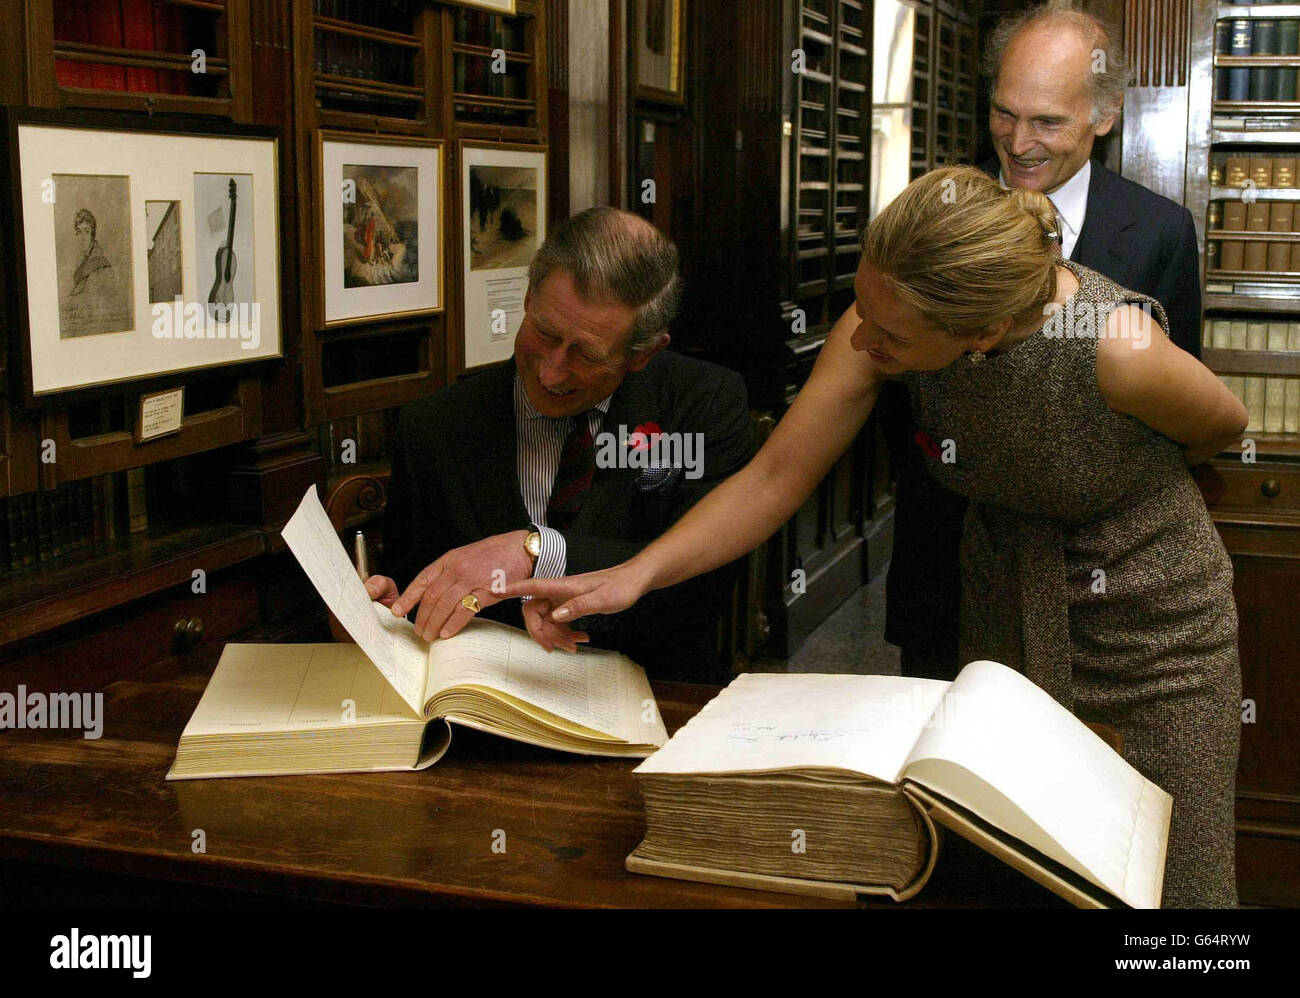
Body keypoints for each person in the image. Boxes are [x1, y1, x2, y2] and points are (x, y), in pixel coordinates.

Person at [499, 167, 1246, 908]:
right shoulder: (884, 315)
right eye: (861, 309)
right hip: (1006, 602)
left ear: (981, 332)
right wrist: (635, 573)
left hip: (1153, 628)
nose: (861, 340)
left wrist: (1090, 482)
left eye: (888, 335)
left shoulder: (1117, 345)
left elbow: (1219, 431)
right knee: (1016, 873)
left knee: (1170, 886)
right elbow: (774, 479)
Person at [883, 0, 1204, 681]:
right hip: (950, 577)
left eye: (1048, 121)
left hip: (1105, 598)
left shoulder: (1159, 232)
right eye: (1004, 113)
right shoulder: (935, 213)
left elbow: (1180, 422)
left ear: (1105, 114)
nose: (1019, 141)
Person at [366, 206, 754, 682]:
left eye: (587, 355)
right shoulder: (436, 424)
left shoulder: (702, 404)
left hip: (655, 690)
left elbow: (697, 590)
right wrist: (390, 603)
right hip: (483, 706)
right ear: (528, 298)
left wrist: (541, 551)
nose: (550, 372)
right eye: (544, 333)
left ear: (644, 354)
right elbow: (414, 577)